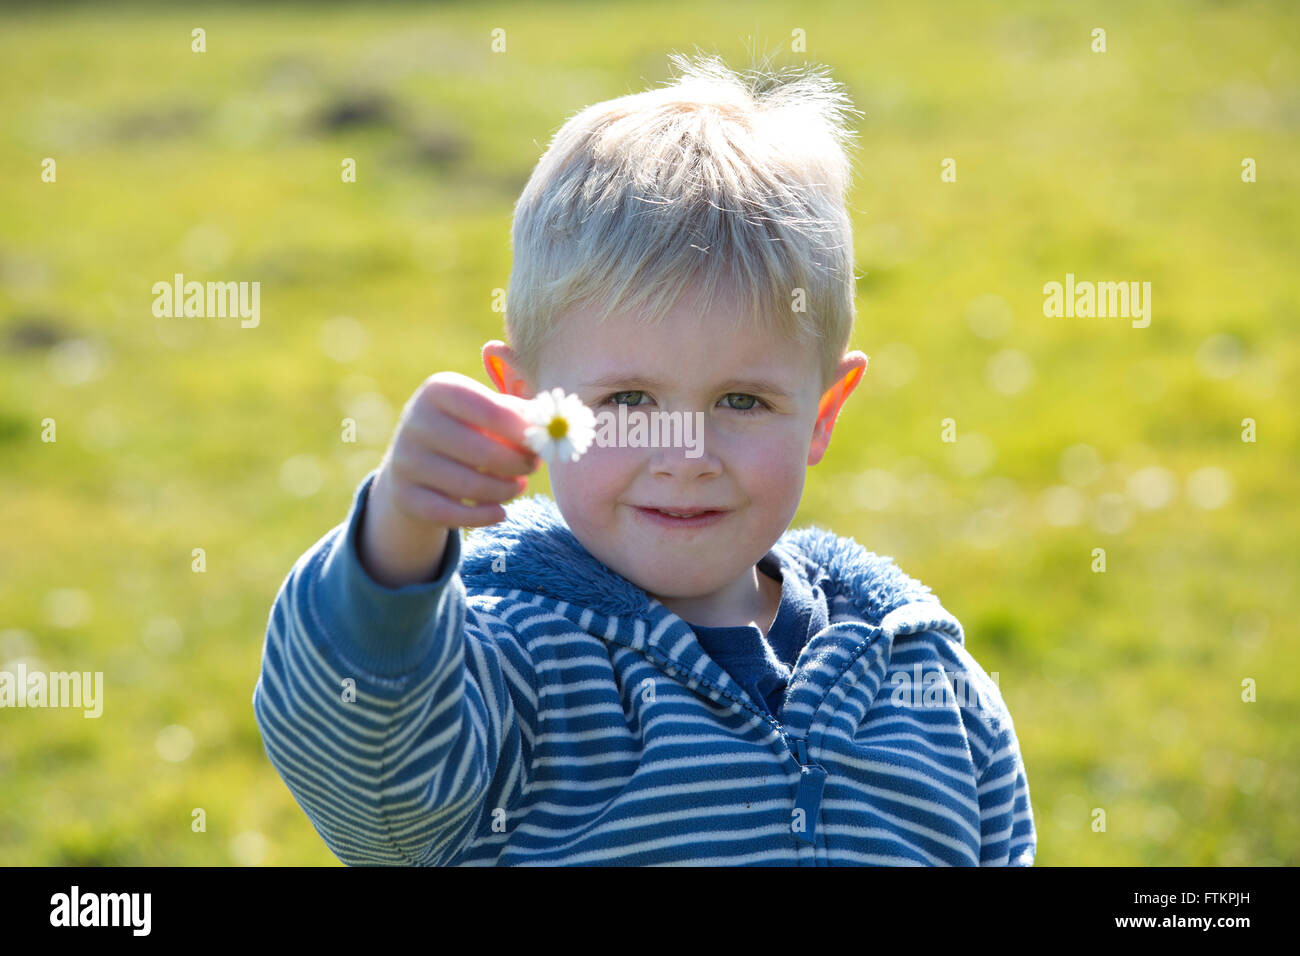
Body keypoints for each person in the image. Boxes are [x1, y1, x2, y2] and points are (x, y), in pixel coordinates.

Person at [252, 53, 1036, 865]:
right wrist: (398, 535)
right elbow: (369, 784)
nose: (686, 456)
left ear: (822, 412)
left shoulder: (924, 679)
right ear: (528, 405)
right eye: (628, 401)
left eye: (742, 401)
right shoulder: (510, 672)